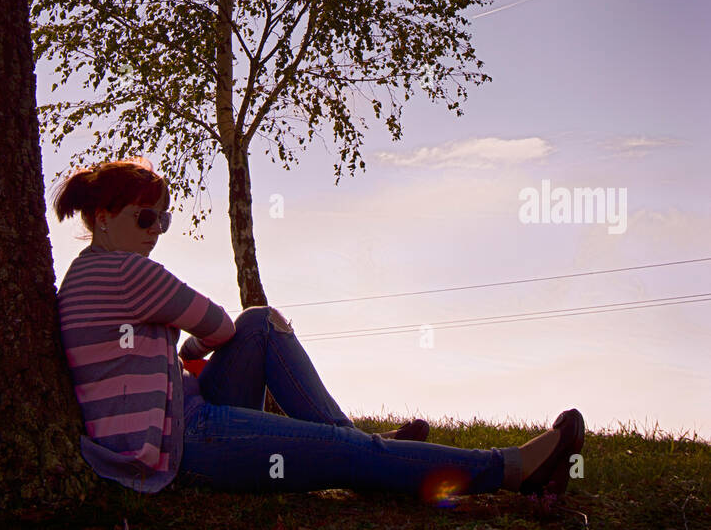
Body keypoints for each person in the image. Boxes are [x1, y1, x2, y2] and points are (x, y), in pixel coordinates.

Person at [54, 157, 584, 500]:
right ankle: (512, 469)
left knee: (260, 323)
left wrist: (191, 350)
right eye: (146, 219)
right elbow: (214, 324)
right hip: (184, 439)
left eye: (164, 220)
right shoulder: (127, 272)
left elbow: (208, 334)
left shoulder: (87, 275)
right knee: (352, 455)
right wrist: (196, 342)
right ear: (103, 217)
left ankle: (359, 445)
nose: (157, 232)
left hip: (179, 415)